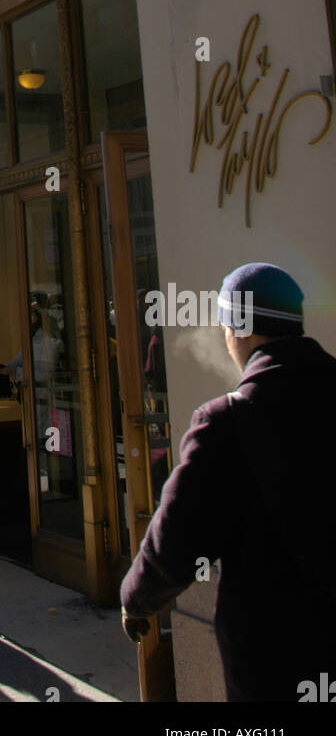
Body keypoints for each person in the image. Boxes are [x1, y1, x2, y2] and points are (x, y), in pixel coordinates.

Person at [120, 262, 336, 703]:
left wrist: (137, 599)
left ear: (239, 328)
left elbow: (178, 536)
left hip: (275, 651)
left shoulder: (227, 422)